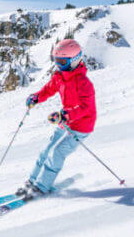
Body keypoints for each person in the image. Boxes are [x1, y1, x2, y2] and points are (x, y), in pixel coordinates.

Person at [19, 39, 97, 198]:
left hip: (82, 125)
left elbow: (85, 108)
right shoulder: (59, 77)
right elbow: (47, 90)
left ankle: (42, 186)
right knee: (46, 151)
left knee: (56, 153)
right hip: (66, 121)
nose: (58, 65)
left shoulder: (83, 82)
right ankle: (33, 181)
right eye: (56, 61)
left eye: (62, 61)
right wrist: (36, 97)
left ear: (74, 60)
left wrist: (65, 115)